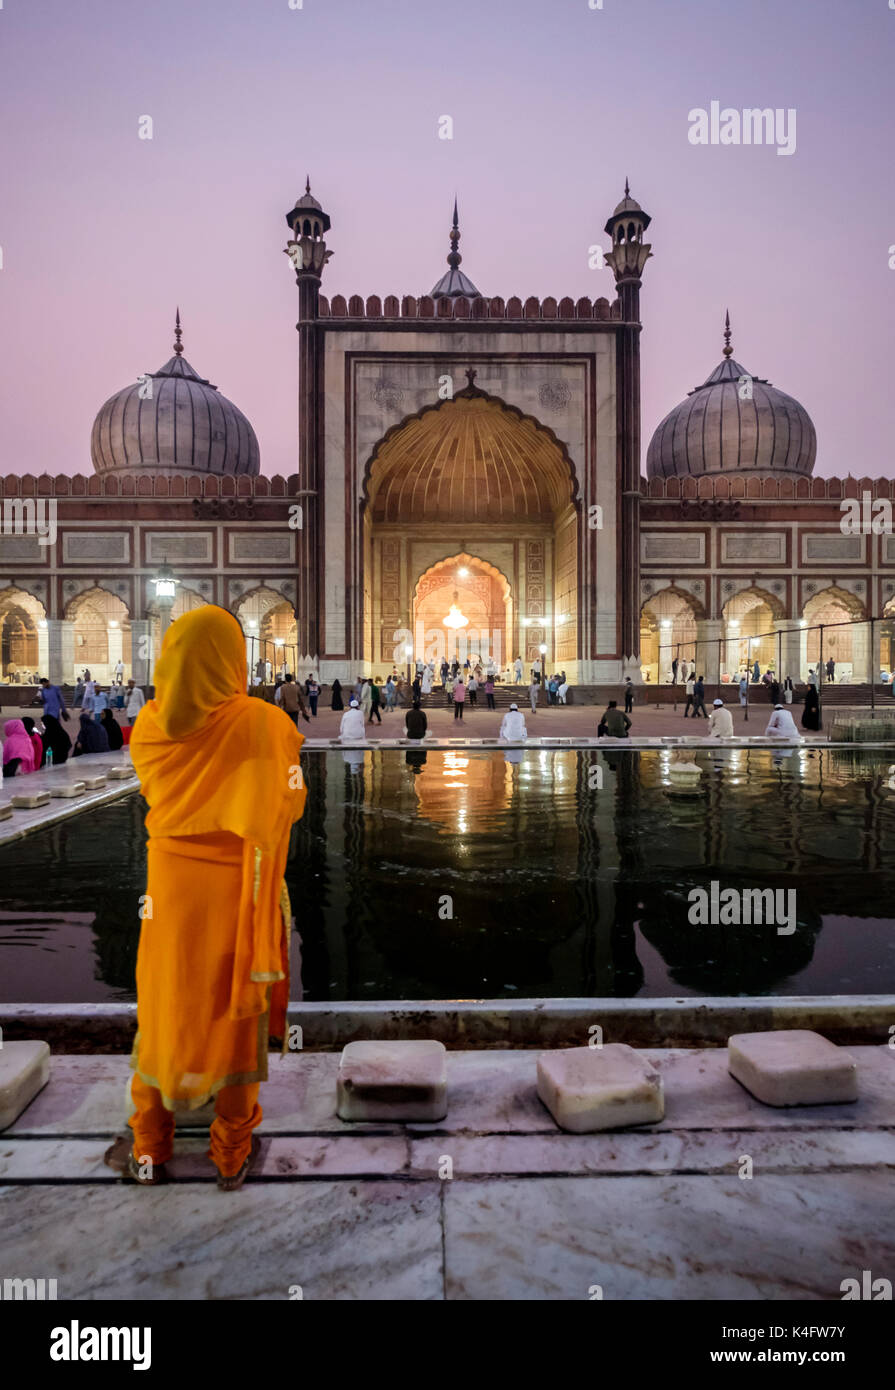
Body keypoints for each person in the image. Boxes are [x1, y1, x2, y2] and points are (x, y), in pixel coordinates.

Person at [101, 607, 307, 1190]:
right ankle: (231, 1151)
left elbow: (155, 787)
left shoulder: (148, 725)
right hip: (237, 886)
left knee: (165, 1004)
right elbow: (289, 799)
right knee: (235, 1009)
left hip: (169, 889)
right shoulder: (264, 724)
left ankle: (150, 1144)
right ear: (232, 661)